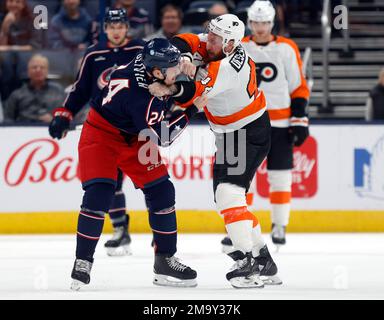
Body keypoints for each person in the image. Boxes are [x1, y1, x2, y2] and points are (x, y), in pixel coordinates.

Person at [50, 38, 200, 290]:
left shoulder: (147, 57)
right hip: (101, 134)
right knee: (99, 194)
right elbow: (164, 137)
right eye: (172, 68)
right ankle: (82, 260)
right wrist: (193, 109)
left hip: (134, 134)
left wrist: (179, 70)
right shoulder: (141, 99)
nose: (178, 70)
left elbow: (165, 48)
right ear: (156, 73)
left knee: (162, 191)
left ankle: (164, 259)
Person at [150, 14, 281, 288]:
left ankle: (248, 264)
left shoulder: (230, 67)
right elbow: (180, 40)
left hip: (248, 132)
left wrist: (168, 86)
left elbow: (191, 94)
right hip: (231, 134)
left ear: (230, 44)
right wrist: (184, 55)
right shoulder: (216, 44)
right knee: (230, 199)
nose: (208, 40)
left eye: (215, 38)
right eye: (209, 34)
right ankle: (263, 259)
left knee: (228, 194)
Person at [49, 9, 145, 256]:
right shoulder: (94, 54)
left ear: (127, 27)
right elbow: (80, 90)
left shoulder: (141, 51)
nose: (116, 30)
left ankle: (157, 240)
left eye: (120, 25)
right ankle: (120, 229)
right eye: (111, 26)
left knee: (151, 183)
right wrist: (64, 114)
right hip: (103, 127)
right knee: (108, 181)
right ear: (105, 28)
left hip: (135, 127)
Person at [236, 0, 309, 248]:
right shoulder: (239, 47)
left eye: (265, 22)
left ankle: (279, 224)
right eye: (256, 22)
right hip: (247, 122)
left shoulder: (287, 48)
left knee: (280, 177)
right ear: (249, 22)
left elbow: (298, 85)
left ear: (272, 22)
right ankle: (241, 225)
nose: (260, 28)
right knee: (244, 179)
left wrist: (299, 119)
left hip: (280, 122)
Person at [4, 54, 65, 123]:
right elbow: (7, 120)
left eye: (42, 67)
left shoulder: (58, 93)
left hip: (52, 130)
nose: (38, 70)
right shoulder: (16, 95)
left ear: (47, 71)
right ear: (28, 71)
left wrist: (54, 120)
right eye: (34, 67)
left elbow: (67, 116)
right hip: (23, 131)